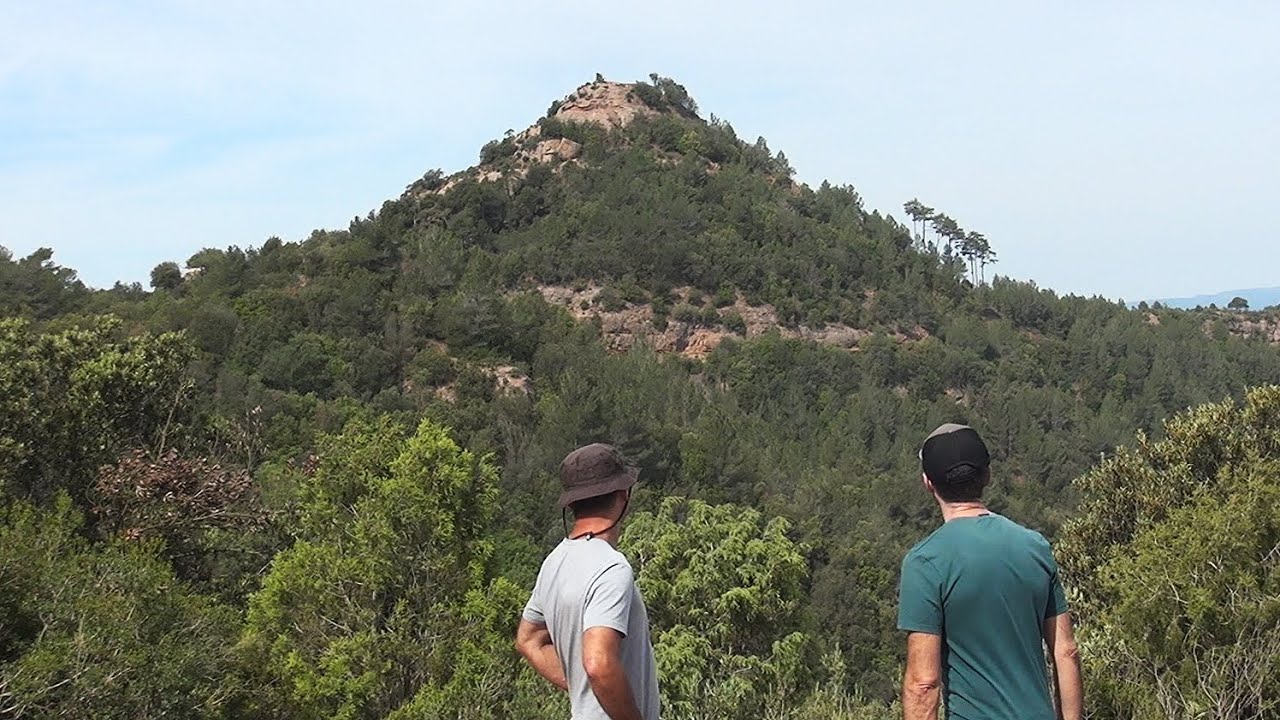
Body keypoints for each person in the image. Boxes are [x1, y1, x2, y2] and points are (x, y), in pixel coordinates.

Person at [897, 423, 1083, 720]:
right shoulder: (1035, 547)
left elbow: (923, 683)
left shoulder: (925, 562)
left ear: (928, 483)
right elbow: (1066, 652)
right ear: (988, 475)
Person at [515, 443, 659, 720]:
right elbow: (598, 664)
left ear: (571, 504)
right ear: (623, 495)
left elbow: (528, 640)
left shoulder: (554, 562)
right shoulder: (611, 568)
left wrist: (586, 690)